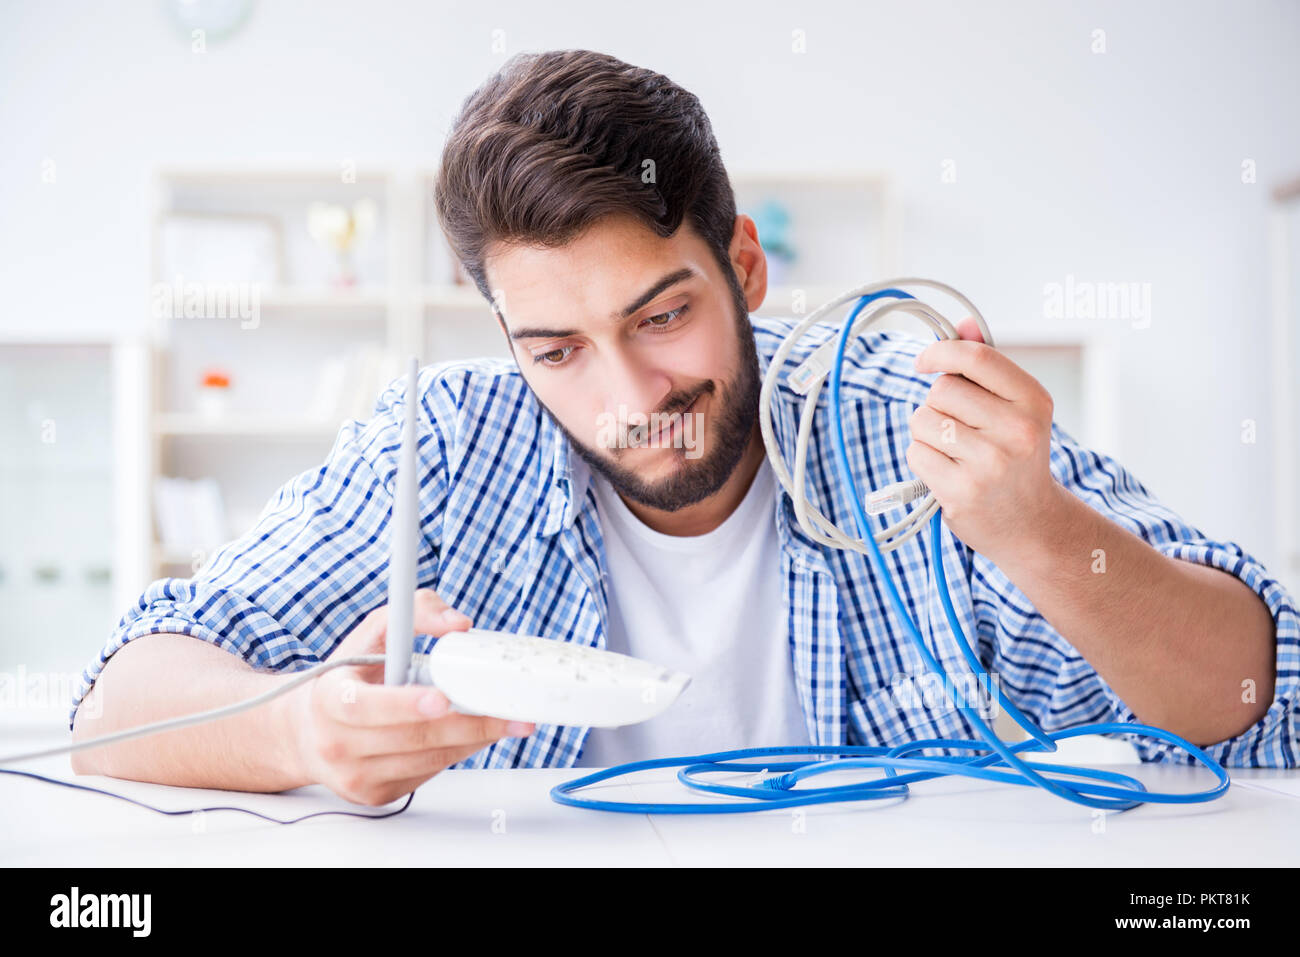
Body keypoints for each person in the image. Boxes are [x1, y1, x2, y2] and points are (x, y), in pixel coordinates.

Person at [70, 49, 1296, 807]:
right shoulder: (444, 443)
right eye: (554, 349)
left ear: (745, 267)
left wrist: (1038, 532)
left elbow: (1257, 697)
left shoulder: (898, 418)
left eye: (661, 316)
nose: (627, 396)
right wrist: (299, 729)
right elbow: (120, 707)